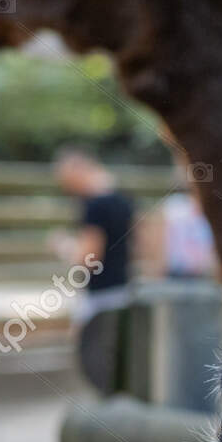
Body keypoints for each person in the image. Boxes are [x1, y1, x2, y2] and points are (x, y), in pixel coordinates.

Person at [50, 148, 136, 392]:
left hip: (99, 294)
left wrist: (63, 245)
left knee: (91, 358)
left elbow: (88, 258)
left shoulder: (95, 206)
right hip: (123, 287)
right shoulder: (124, 199)